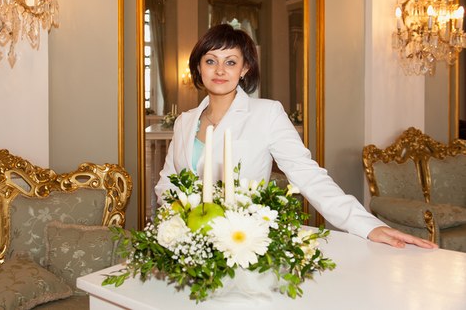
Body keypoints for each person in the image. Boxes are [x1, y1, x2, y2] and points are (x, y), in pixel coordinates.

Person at [155, 24, 436, 249]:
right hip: (189, 242)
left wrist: (369, 226)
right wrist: (177, 226)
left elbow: (308, 175)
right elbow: (167, 183)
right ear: (199, 67)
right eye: (210, 61)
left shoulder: (267, 114)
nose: (219, 70)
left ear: (244, 69)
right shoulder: (184, 122)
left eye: (230, 62)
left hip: (243, 242)